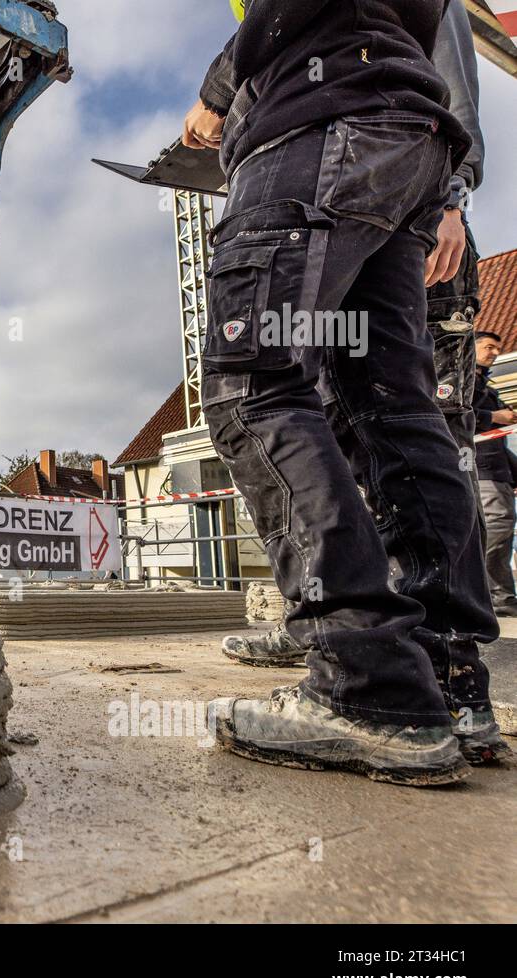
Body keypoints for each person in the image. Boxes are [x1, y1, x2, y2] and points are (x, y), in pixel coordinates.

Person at [180, 0, 507, 784]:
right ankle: (448, 683)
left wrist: (222, 87)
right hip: (402, 147)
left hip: (319, 138)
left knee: (249, 383)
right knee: (392, 410)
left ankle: (370, 687)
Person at [473, 332, 517, 615]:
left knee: (499, 528)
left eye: (497, 349)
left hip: (496, 468)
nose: (493, 353)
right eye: (488, 347)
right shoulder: (462, 379)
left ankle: (499, 596)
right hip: (480, 467)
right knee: (497, 527)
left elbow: (499, 443)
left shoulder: (487, 388)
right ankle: (492, 595)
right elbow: (449, 413)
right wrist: (494, 417)